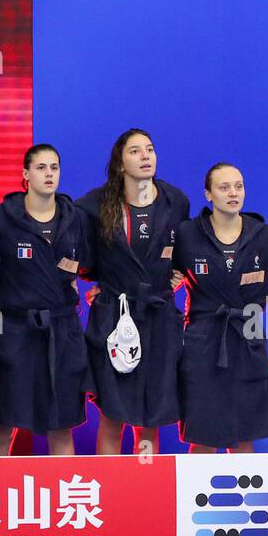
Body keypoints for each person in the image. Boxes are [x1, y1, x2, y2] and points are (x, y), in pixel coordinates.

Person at [76, 129, 189, 455]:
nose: (145, 156)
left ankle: (144, 491)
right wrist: (102, 284)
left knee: (149, 415)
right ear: (120, 163)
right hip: (115, 316)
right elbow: (83, 256)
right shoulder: (94, 206)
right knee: (114, 414)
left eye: (150, 150)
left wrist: (178, 275)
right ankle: (109, 494)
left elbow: (186, 248)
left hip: (158, 317)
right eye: (135, 151)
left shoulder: (175, 202)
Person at [0, 144, 91, 456]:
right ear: (26, 175)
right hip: (15, 331)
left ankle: (65, 496)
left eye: (54, 167)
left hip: (62, 329)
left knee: (61, 423)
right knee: (3, 422)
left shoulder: (75, 218)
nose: (49, 174)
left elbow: (89, 261)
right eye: (41, 168)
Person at [174, 163, 268, 452]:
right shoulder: (186, 234)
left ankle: (248, 496)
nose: (233, 193)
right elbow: (159, 273)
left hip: (248, 340)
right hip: (203, 342)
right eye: (224, 187)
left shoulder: (264, 236)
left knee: (244, 437)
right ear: (208, 194)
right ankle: (194, 497)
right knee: (204, 437)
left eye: (239, 186)